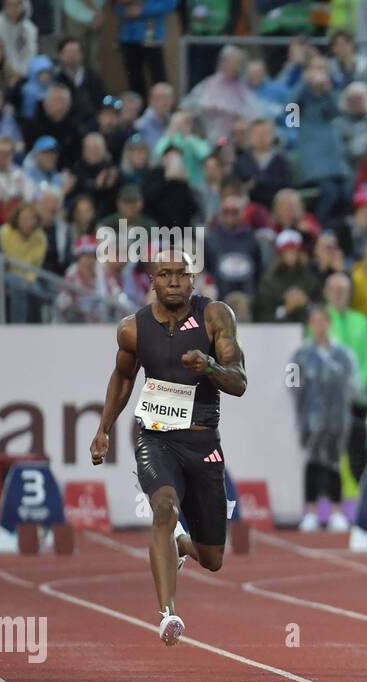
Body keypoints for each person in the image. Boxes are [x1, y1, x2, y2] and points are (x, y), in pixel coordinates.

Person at [89, 250, 248, 646]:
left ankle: (181, 543)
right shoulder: (133, 329)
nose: (174, 281)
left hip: (203, 440)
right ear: (152, 281)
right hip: (156, 437)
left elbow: (240, 382)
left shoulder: (216, 317)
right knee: (163, 507)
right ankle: (168, 614)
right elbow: (123, 378)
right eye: (165, 274)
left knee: (212, 559)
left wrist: (209, 366)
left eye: (182, 274)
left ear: (194, 279)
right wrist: (104, 428)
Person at [293, 304, 357, 532]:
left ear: (329, 324)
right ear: (310, 325)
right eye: (315, 321)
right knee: (312, 463)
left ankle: (336, 511)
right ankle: (310, 512)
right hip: (310, 418)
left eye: (323, 321)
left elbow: (353, 383)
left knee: (333, 463)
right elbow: (292, 383)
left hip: (337, 419)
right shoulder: (301, 354)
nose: (319, 326)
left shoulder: (343, 353)